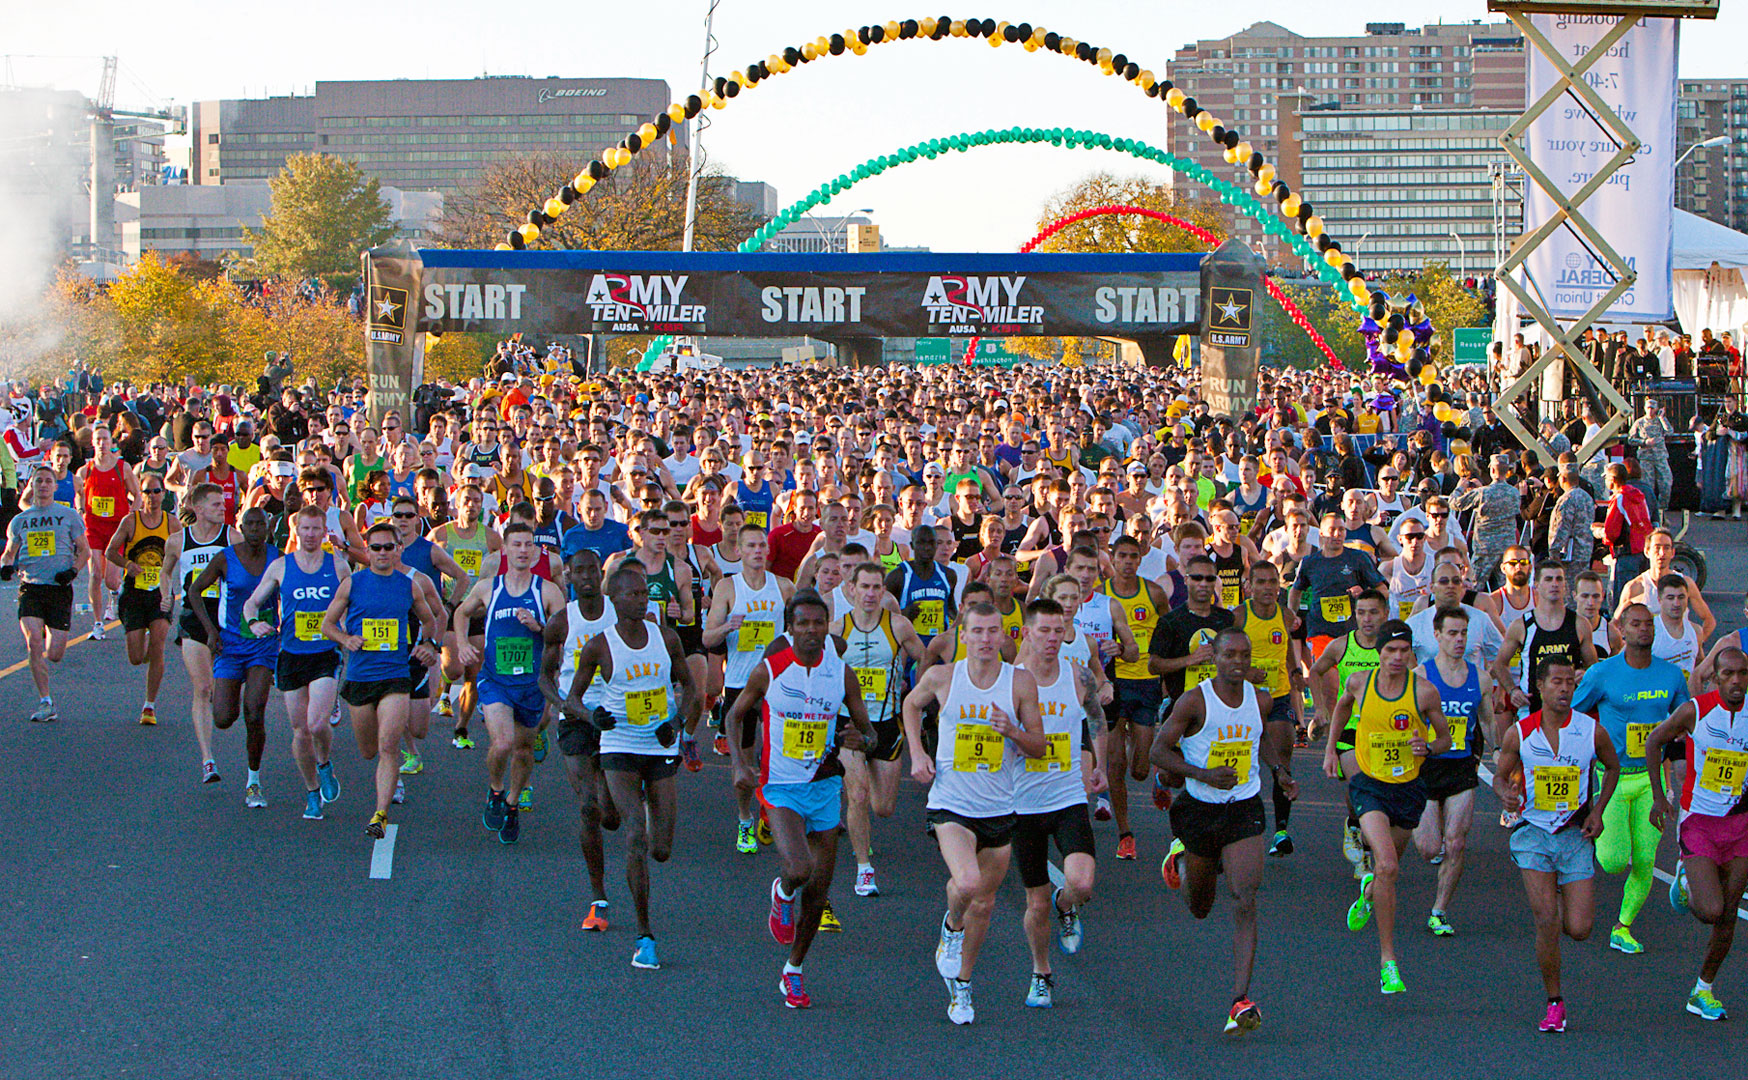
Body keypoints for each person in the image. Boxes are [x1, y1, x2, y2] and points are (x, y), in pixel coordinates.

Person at [903, 602, 1047, 1026]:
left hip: (1000, 806)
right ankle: (951, 927)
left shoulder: (1019, 682)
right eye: (977, 632)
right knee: (966, 882)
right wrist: (917, 753)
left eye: (992, 631)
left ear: (1004, 636)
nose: (985, 639)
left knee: (982, 904)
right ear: (962, 636)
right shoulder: (943, 677)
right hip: (951, 803)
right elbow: (911, 705)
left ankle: (963, 983)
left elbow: (1038, 746)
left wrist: (1012, 731)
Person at [727, 589, 872, 1008]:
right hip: (780, 787)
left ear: (828, 627)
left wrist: (861, 739)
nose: (811, 630)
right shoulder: (771, 669)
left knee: (820, 891)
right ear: (789, 628)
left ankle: (794, 969)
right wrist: (739, 764)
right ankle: (783, 890)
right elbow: (734, 715)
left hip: (824, 788)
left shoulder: (841, 674)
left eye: (818, 623)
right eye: (803, 623)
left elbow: (871, 734)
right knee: (799, 868)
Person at [1154, 627, 1293, 1034]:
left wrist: (1279, 771)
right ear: (1213, 657)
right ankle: (1182, 858)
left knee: (1245, 897)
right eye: (1229, 654)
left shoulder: (1259, 699)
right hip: (1200, 808)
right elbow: (1158, 750)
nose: (1238, 662)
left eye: (1244, 655)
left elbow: (1260, 737)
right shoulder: (1194, 701)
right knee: (1200, 907)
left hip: (1243, 807)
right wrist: (1202, 774)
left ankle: (1239, 999)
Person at [569, 562, 701, 971]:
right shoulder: (600, 646)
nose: (642, 600)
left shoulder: (666, 638)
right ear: (614, 599)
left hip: (659, 743)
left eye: (645, 593)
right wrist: (593, 718)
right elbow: (573, 699)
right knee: (635, 834)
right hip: (619, 744)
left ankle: (614, 798)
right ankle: (645, 935)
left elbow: (691, 689)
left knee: (661, 850)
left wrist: (677, 723)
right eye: (633, 594)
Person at [1324, 620, 1450, 995]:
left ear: (1411, 653)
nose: (1397, 657)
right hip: (1370, 785)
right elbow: (1342, 709)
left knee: (1386, 872)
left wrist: (1428, 747)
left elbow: (1445, 739)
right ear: (1378, 652)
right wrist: (1331, 750)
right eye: (1390, 650)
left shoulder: (1423, 691)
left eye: (1403, 651)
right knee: (1388, 866)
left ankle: (1369, 893)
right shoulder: (1359, 683)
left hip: (1408, 787)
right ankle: (1388, 961)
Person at [1493, 658, 1619, 1033]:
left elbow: (1612, 767)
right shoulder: (1520, 733)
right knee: (1546, 920)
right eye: (1557, 682)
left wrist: (1598, 811)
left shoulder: (1591, 730)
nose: (1564, 689)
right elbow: (1500, 777)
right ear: (1540, 686)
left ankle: (1562, 892)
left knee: (1579, 928)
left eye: (1570, 683)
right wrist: (1505, 795)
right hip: (1533, 832)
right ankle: (1554, 1001)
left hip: (1574, 834)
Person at [1572, 602, 1691, 955]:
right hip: (1611, 777)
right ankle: (1583, 848)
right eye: (1636, 624)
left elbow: (1687, 717)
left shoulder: (1671, 676)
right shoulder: (1602, 673)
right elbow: (1572, 715)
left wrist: (1677, 739)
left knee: (1644, 860)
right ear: (1621, 630)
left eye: (1648, 624)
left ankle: (1622, 927)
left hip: (1652, 781)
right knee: (1613, 861)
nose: (1644, 629)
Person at [1012, 597, 1106, 1009]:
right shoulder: (1010, 681)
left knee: (1082, 883)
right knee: (1034, 903)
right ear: (1027, 633)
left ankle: (1065, 902)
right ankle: (1041, 972)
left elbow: (1096, 719)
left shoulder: (1077, 675)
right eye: (1044, 630)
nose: (1052, 638)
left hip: (1067, 796)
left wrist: (1100, 765)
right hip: (1022, 804)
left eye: (1058, 630)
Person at [322, 521, 444, 838]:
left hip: (396, 675)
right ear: (367, 550)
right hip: (361, 676)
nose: (382, 553)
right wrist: (346, 639)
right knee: (368, 750)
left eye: (388, 547)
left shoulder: (409, 586)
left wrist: (429, 645)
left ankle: (380, 814)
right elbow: (327, 625)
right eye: (375, 547)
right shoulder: (352, 584)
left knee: (388, 745)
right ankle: (382, 789)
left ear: (398, 549)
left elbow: (430, 620)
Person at [1647, 646, 1748, 1022]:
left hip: (1740, 824)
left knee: (1729, 913)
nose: (1736, 681)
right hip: (1699, 822)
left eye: (1742, 674)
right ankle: (1686, 879)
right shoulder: (1696, 711)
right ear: (1714, 677)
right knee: (1710, 910)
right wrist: (1660, 796)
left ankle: (1703, 989)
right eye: (1728, 674)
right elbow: (1654, 741)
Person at [452, 522, 568, 843]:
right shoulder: (489, 587)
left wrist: (539, 626)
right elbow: (461, 613)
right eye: (516, 544)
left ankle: (513, 802)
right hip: (496, 680)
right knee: (502, 743)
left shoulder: (547, 591)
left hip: (532, 684)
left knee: (524, 750)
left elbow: (564, 633)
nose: (522, 550)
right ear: (504, 549)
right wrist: (462, 643)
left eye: (528, 544)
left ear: (535, 550)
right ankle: (496, 790)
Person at [242, 505, 346, 820]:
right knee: (300, 730)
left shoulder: (338, 565)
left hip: (325, 653)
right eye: (306, 529)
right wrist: (254, 622)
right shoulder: (281, 567)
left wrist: (349, 633)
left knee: (317, 723)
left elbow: (353, 604)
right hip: (291, 654)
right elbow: (252, 602)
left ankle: (324, 763)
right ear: (296, 531)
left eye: (316, 529)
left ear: (325, 532)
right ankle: (312, 791)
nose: (311, 534)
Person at [541, 548, 622, 932]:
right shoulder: (561, 622)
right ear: (569, 577)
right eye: (580, 571)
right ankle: (598, 895)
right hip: (576, 718)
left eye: (593, 570)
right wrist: (563, 705)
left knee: (611, 815)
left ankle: (616, 795)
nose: (588, 577)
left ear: (601, 575)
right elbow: (544, 676)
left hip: (616, 716)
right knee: (588, 806)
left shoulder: (618, 614)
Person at [835, 560, 926, 899]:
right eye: (864, 587)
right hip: (849, 725)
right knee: (857, 795)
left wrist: (914, 692)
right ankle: (864, 868)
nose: (870, 594)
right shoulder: (837, 628)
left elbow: (924, 657)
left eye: (876, 587)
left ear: (883, 591)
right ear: (852, 589)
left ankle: (857, 805)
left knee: (883, 808)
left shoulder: (898, 626)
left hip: (887, 723)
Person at [704, 523, 793, 853]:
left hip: (775, 682)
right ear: (739, 551)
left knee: (778, 754)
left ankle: (771, 810)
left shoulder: (783, 586)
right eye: (751, 546)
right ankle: (744, 818)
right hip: (739, 683)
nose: (758, 551)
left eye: (762, 546)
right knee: (741, 761)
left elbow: (801, 627)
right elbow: (707, 637)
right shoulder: (728, 588)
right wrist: (728, 626)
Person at [190, 505, 284, 809]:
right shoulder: (225, 558)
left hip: (263, 645)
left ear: (268, 527)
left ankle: (253, 780)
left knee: (254, 712)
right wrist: (211, 631)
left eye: (260, 524)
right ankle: (230, 690)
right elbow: (194, 591)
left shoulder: (278, 557)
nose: (255, 529)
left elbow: (290, 594)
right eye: (250, 524)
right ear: (241, 528)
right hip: (230, 644)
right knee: (223, 718)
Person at [1414, 607, 1491, 936]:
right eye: (1452, 633)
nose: (1460, 640)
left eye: (1464, 633)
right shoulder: (1420, 676)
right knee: (1429, 849)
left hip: (1461, 766)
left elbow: (1488, 721)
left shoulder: (1481, 678)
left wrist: (1503, 759)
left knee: (1456, 843)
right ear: (1437, 636)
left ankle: (1439, 911)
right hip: (1426, 766)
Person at [160, 483, 237, 781]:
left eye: (223, 504)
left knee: (222, 694)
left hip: (225, 621)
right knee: (202, 688)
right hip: (193, 620)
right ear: (198, 507)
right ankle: (208, 759)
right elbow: (165, 571)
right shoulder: (178, 541)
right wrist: (166, 595)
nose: (222, 509)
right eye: (216, 504)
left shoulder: (232, 537)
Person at [0, 466, 87, 721]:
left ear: (55, 486)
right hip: (31, 587)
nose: (44, 485)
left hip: (59, 588)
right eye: (39, 481)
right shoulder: (20, 520)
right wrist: (6, 566)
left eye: (48, 481)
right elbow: (9, 553)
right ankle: (45, 701)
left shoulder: (69, 516)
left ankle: (50, 630)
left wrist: (72, 571)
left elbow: (84, 550)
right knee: (33, 644)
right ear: (32, 485)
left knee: (55, 654)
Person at [1234, 559, 1302, 856]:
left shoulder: (1285, 615)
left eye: (1272, 582)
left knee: (1282, 753)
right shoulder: (1239, 615)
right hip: (1244, 698)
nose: (1267, 588)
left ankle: (1281, 830)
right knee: (1243, 761)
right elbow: (1225, 653)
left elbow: (1286, 646)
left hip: (1278, 695)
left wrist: (1295, 670)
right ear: (1248, 586)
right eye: (1260, 582)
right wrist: (1246, 672)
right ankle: (1236, 827)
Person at [105, 475, 172, 725]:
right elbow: (110, 551)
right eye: (147, 492)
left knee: (159, 644)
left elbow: (186, 549)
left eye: (156, 491)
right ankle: (142, 640)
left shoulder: (171, 523)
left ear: (163, 494)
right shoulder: (130, 521)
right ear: (140, 495)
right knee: (136, 658)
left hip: (159, 593)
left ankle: (149, 706)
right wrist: (127, 564)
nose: (152, 496)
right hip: (134, 592)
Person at [77, 423, 136, 638]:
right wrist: (80, 509)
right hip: (93, 527)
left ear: (112, 442)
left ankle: (114, 596)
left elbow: (137, 496)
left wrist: (132, 515)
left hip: (116, 528)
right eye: (98, 439)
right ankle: (98, 623)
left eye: (105, 439)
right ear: (92, 443)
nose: (102, 443)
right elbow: (79, 494)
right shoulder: (85, 470)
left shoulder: (123, 467)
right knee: (95, 574)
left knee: (111, 580)